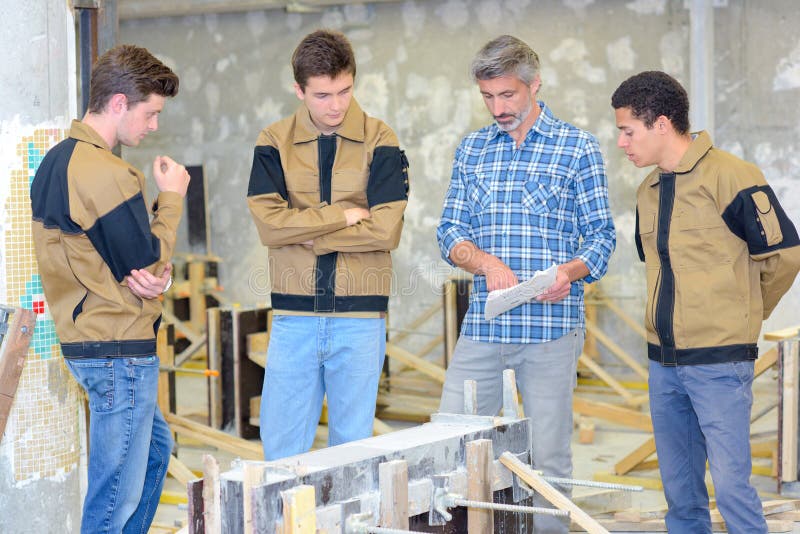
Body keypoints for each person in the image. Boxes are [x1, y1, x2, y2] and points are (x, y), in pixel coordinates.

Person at [436, 35, 616, 532]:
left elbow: (602, 238)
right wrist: (484, 262)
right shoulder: (472, 149)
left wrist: (569, 272)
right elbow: (449, 232)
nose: (498, 108)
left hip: (551, 330)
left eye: (508, 95)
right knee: (449, 445)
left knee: (548, 465)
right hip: (484, 330)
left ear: (535, 85)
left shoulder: (577, 147)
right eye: (488, 97)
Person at [612, 70, 800, 534]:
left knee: (733, 489)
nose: (621, 143)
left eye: (627, 130)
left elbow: (784, 255)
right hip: (663, 364)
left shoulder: (732, 176)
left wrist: (745, 314)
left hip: (719, 363)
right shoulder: (647, 192)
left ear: (660, 124)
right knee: (680, 494)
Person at [30, 45, 189, 533]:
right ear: (119, 103)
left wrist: (144, 277)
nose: (153, 127)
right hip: (117, 349)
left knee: (156, 451)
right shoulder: (107, 172)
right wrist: (172, 198)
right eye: (150, 114)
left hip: (90, 341)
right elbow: (150, 267)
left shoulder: (57, 161)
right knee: (115, 497)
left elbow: (135, 271)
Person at [247, 30, 409, 460]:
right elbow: (269, 226)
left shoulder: (381, 139)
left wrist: (306, 234)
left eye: (345, 90)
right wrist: (339, 216)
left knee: (352, 453)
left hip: (361, 318)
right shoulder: (272, 142)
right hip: (293, 317)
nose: (336, 105)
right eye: (322, 95)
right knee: (281, 451)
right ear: (298, 89)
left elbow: (386, 231)